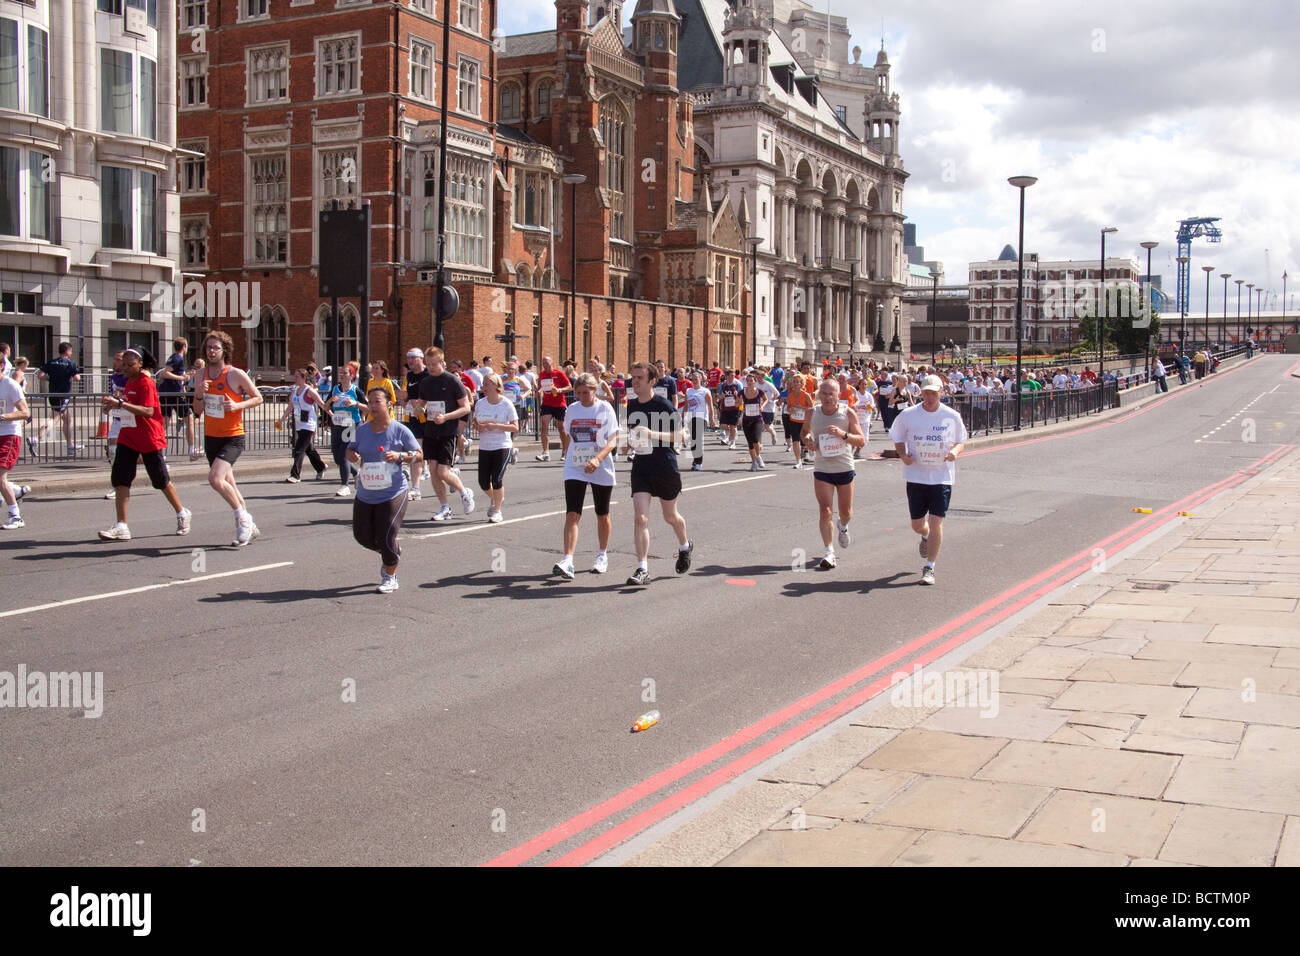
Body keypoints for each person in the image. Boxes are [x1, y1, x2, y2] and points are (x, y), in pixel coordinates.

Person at [97, 348, 191, 541]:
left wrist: (120, 404)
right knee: (120, 478)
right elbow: (127, 405)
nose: (126, 368)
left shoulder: (145, 382)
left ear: (140, 365)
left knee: (160, 480)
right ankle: (121, 526)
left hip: (149, 437)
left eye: (130, 365)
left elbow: (148, 411)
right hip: (129, 436)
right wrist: (113, 406)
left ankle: (182, 512)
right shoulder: (128, 382)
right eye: (124, 365)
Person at [889, 375, 969, 586]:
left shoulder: (951, 416)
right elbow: (897, 436)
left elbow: (962, 440)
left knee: (936, 522)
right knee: (918, 524)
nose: (930, 397)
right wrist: (903, 455)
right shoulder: (909, 415)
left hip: (941, 477)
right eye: (926, 393)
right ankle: (924, 535)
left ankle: (930, 567)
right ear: (920, 393)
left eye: (934, 393)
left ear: (941, 393)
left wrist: (954, 452)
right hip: (916, 476)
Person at [347, 386, 422, 594]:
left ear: (389, 404)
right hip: (366, 492)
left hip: (393, 492)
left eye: (377, 401)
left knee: (386, 534)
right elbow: (350, 449)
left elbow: (419, 454)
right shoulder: (362, 430)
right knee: (362, 536)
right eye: (370, 402)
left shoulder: (400, 430)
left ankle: (390, 575)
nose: (372, 406)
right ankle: (391, 553)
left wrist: (401, 456)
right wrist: (351, 454)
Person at [623, 362, 692, 585]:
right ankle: (642, 568)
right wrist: (629, 443)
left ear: (652, 381)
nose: (634, 382)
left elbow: (682, 436)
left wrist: (652, 433)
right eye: (633, 377)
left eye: (639, 378)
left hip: (664, 465)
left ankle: (684, 545)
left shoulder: (663, 405)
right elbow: (634, 434)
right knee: (640, 518)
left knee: (670, 516)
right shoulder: (631, 405)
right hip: (642, 466)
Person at [193, 331, 262, 546]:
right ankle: (249, 524)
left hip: (233, 436)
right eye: (209, 347)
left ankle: (242, 519)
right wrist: (198, 393)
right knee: (228, 482)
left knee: (215, 479)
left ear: (224, 350)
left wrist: (237, 405)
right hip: (211, 436)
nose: (211, 351)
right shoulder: (200, 375)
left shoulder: (235, 374)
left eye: (215, 348)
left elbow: (258, 398)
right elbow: (197, 410)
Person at [552, 373, 621, 578]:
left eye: (586, 392)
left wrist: (598, 459)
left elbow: (613, 439)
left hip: (600, 465)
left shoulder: (604, 408)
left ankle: (602, 555)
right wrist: (568, 455)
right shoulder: (572, 409)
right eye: (579, 393)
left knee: (602, 513)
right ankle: (568, 560)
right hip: (575, 466)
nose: (582, 396)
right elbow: (568, 434)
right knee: (572, 513)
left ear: (594, 390)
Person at [804, 378, 866, 569]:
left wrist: (843, 435)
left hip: (844, 467)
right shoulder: (811, 412)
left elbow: (861, 441)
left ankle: (843, 525)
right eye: (824, 393)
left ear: (838, 395)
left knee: (846, 512)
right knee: (825, 510)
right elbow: (805, 432)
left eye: (831, 394)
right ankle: (829, 551)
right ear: (819, 395)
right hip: (823, 468)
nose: (827, 397)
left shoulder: (847, 413)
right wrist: (808, 441)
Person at [415, 346, 475, 521]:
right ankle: (444, 507)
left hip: (448, 431)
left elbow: (465, 407)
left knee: (442, 472)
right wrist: (419, 407)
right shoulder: (425, 382)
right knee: (433, 470)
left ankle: (465, 493)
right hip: (430, 430)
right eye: (428, 364)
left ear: (442, 362)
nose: (431, 367)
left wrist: (446, 417)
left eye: (434, 364)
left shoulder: (452, 381)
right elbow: (422, 402)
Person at [471, 373, 518, 523]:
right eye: (483, 383)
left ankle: (497, 510)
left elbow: (515, 427)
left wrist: (496, 426)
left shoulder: (506, 404)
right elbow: (475, 422)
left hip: (501, 445)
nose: (484, 386)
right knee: (483, 482)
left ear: (496, 386)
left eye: (487, 383)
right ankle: (497, 498)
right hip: (485, 446)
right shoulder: (480, 403)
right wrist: (478, 427)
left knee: (497, 479)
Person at [34, 341, 82, 456]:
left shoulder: (51, 362)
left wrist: (50, 379)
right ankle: (36, 438)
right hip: (63, 395)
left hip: (52, 395)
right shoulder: (70, 363)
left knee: (67, 420)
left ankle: (70, 445)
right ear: (67, 351)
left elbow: (39, 375)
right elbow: (77, 378)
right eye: (71, 351)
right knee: (54, 418)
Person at [324, 362, 363, 497]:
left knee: (344, 454)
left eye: (345, 373)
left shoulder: (355, 390)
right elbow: (325, 407)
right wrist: (330, 401)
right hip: (337, 424)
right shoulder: (335, 389)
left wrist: (355, 403)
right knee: (336, 457)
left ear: (351, 376)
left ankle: (344, 485)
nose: (341, 375)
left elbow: (368, 407)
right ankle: (356, 473)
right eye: (341, 373)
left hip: (350, 424)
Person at [282, 368, 327, 482]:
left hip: (309, 423)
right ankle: (321, 466)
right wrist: (281, 419)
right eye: (295, 376)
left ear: (304, 378)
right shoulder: (295, 390)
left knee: (299, 449)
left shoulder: (310, 391)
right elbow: (290, 406)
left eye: (297, 376)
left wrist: (332, 415)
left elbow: (322, 404)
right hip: (299, 422)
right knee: (309, 449)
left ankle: (295, 475)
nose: (295, 378)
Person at [0, 364, 30, 530]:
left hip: (9, 435)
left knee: (0, 476)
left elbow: (25, 412)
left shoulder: (10, 385)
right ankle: (16, 490)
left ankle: (15, 516)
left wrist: (2, 416)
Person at [157, 337, 198, 460]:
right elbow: (164, 373)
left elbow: (172, 373)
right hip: (174, 393)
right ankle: (192, 451)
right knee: (189, 419)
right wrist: (182, 379)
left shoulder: (173, 357)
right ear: (184, 346)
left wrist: (185, 376)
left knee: (165, 422)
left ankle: (160, 453)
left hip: (167, 392)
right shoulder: (178, 358)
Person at [399, 349, 429, 498]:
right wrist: (404, 401)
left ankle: (449, 472)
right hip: (413, 416)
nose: (410, 361)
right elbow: (410, 395)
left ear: (421, 359)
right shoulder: (409, 375)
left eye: (413, 358)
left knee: (433, 453)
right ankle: (416, 488)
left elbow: (431, 396)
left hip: (430, 417)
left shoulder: (428, 374)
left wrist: (421, 407)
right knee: (416, 450)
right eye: (408, 358)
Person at [534, 355, 571, 461]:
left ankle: (565, 451)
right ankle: (545, 453)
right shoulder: (541, 374)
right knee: (544, 425)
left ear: (551, 363)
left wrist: (558, 390)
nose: (544, 365)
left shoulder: (559, 374)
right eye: (543, 363)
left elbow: (569, 387)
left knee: (561, 428)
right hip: (546, 403)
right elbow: (541, 386)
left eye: (546, 363)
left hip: (559, 404)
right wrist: (539, 392)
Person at [683, 371, 715, 471]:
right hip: (691, 417)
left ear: (701, 380)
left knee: (698, 440)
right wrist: (682, 418)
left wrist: (711, 419)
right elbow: (686, 406)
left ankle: (698, 462)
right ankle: (695, 459)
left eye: (697, 379)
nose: (695, 381)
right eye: (693, 379)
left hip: (701, 417)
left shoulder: (705, 391)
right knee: (693, 441)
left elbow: (710, 406)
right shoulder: (689, 391)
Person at [740, 372, 769, 471]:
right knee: (750, 443)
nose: (749, 382)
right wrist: (738, 402)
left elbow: (766, 400)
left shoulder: (760, 391)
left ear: (755, 381)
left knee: (756, 440)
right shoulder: (742, 392)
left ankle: (758, 456)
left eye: (751, 381)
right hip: (746, 420)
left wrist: (762, 406)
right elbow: (737, 404)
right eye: (747, 381)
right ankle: (754, 463)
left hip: (757, 419)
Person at [715, 369, 741, 448]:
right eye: (730, 376)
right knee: (723, 425)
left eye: (733, 376)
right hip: (725, 408)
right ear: (726, 376)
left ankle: (732, 442)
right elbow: (718, 396)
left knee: (732, 426)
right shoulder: (722, 385)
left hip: (735, 408)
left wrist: (737, 395)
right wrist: (720, 396)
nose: (732, 377)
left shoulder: (737, 384)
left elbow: (742, 397)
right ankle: (728, 435)